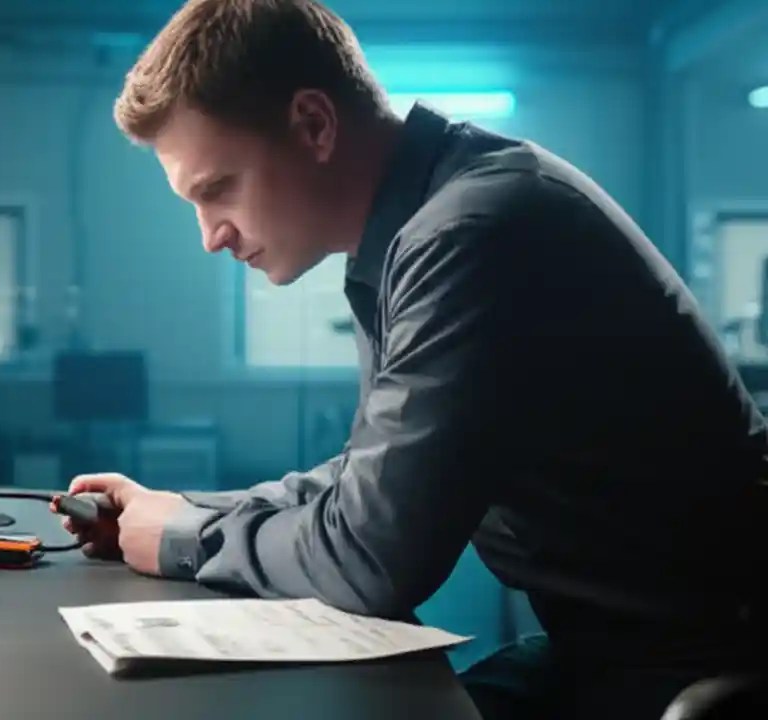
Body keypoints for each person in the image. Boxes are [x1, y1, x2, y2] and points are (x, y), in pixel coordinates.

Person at [50, 1, 768, 718]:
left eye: (216, 190)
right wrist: (182, 511)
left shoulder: (468, 231)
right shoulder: (417, 228)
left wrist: (183, 538)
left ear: (314, 125)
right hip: (617, 651)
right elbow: (378, 479)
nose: (211, 235)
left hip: (698, 669)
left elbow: (370, 558)